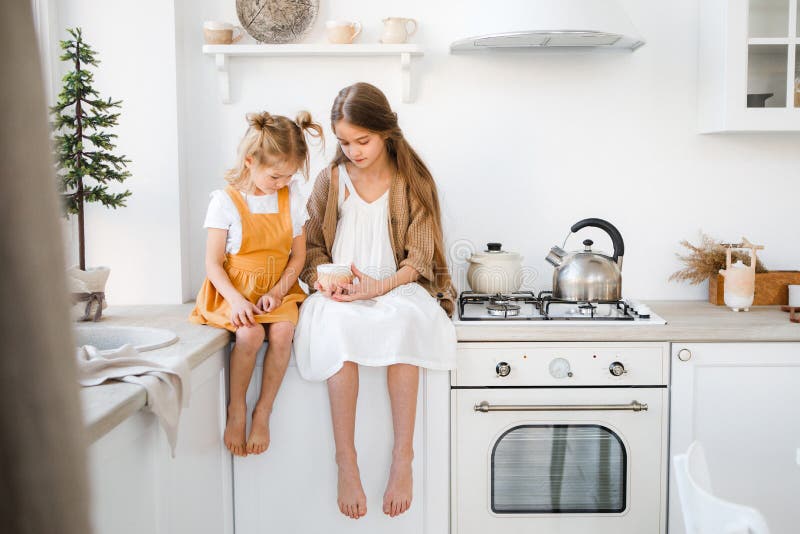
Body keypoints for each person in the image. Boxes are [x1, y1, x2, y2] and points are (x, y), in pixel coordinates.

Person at [294, 83, 457, 520]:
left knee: (405, 324)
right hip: (342, 290)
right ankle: (346, 459)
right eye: (344, 142)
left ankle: (403, 456)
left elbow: (419, 257)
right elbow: (309, 245)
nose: (352, 151)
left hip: (396, 285)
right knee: (337, 329)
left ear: (385, 131)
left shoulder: (412, 180)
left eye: (361, 141)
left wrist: (378, 288)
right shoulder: (331, 179)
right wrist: (321, 281)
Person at [190, 111, 322, 457]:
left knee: (281, 333)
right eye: (275, 175)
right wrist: (236, 301)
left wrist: (279, 291)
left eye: (288, 176)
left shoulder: (290, 198)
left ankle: (263, 409)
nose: (281, 182)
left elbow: (297, 257)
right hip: (234, 292)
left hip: (278, 288)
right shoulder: (225, 202)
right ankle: (237, 409)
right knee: (249, 334)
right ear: (250, 161)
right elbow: (213, 263)